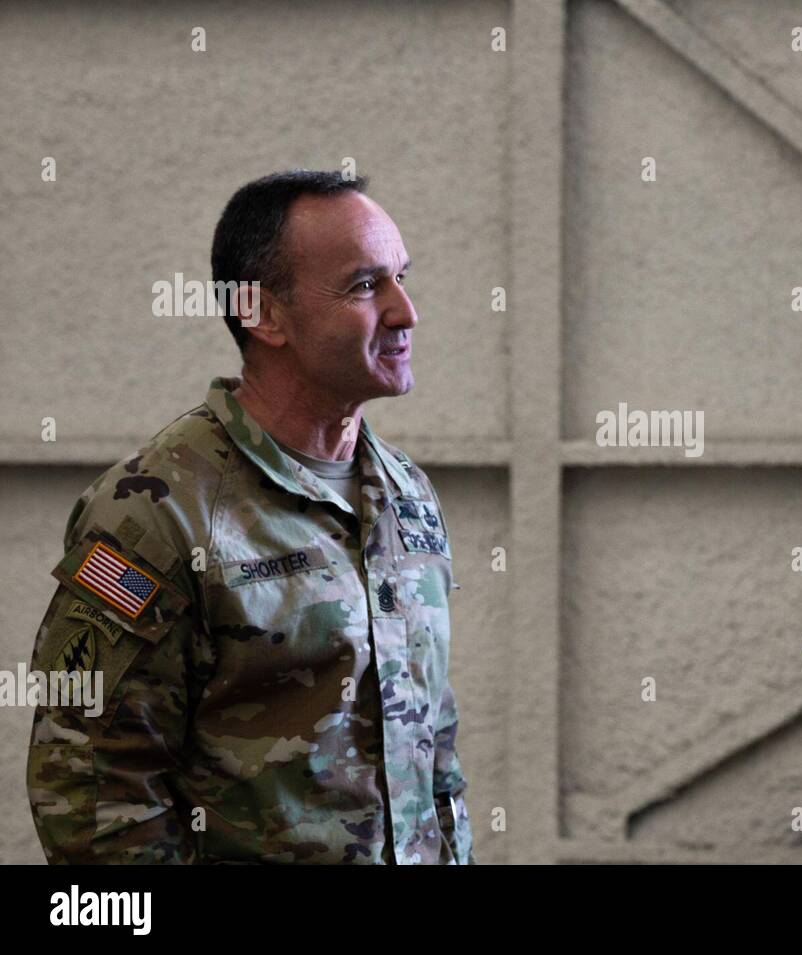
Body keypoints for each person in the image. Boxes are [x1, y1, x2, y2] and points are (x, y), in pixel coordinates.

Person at [26, 170, 473, 864]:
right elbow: (89, 792)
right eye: (364, 286)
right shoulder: (157, 513)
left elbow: (432, 749)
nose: (405, 311)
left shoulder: (406, 494)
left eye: (402, 278)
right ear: (265, 316)